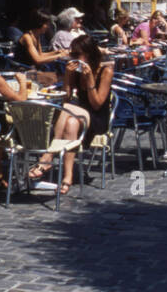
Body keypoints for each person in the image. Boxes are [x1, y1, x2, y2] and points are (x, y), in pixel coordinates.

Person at [29, 35, 113, 196]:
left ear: (89, 54)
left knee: (68, 108)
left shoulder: (105, 71)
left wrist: (89, 80)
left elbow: (97, 104)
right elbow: (66, 98)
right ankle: (68, 177)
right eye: (72, 54)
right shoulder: (77, 70)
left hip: (97, 118)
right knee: (71, 123)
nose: (74, 58)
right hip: (78, 115)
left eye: (77, 54)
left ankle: (47, 157)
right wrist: (68, 76)